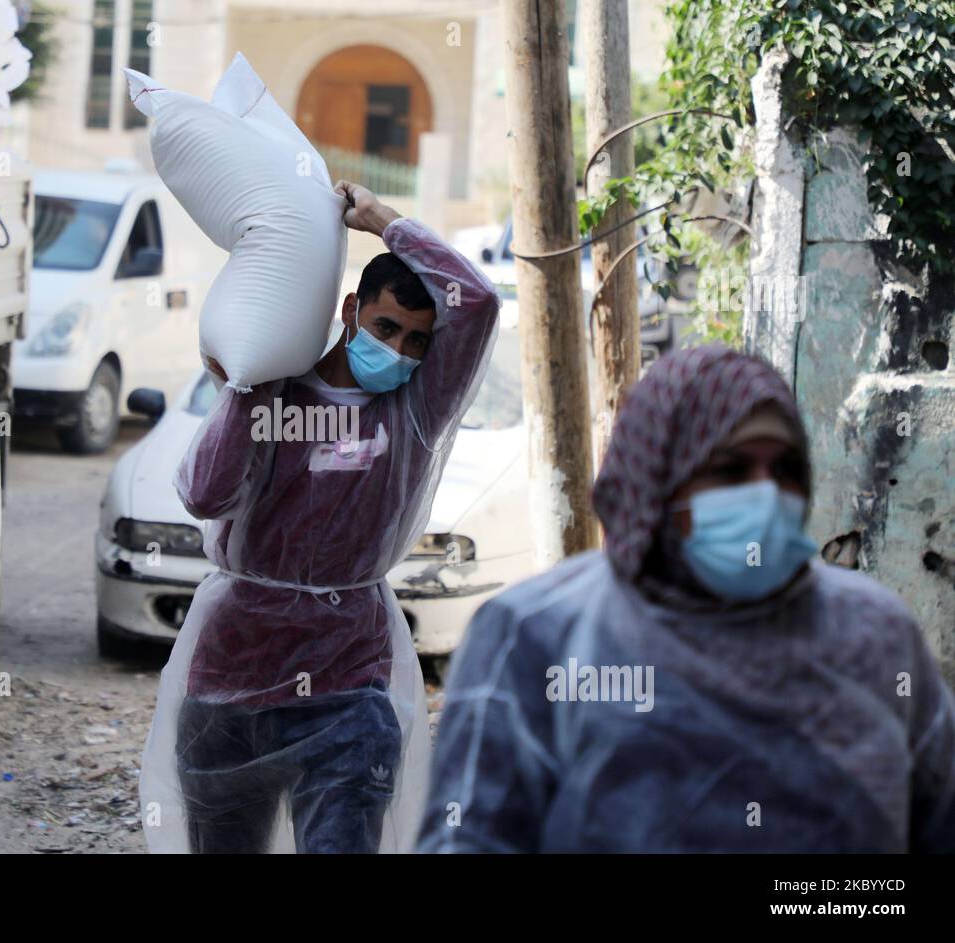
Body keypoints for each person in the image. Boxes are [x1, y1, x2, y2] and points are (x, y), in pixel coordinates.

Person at [418, 345, 955, 853]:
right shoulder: (536, 636)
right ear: (658, 480)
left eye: (785, 470)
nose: (765, 494)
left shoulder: (877, 632)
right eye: (729, 470)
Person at [139, 181, 500, 853]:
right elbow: (205, 495)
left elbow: (476, 302)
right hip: (233, 672)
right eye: (386, 327)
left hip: (349, 679)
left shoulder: (415, 409)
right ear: (349, 311)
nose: (399, 351)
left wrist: (386, 222)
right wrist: (249, 391)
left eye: (418, 340)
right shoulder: (273, 390)